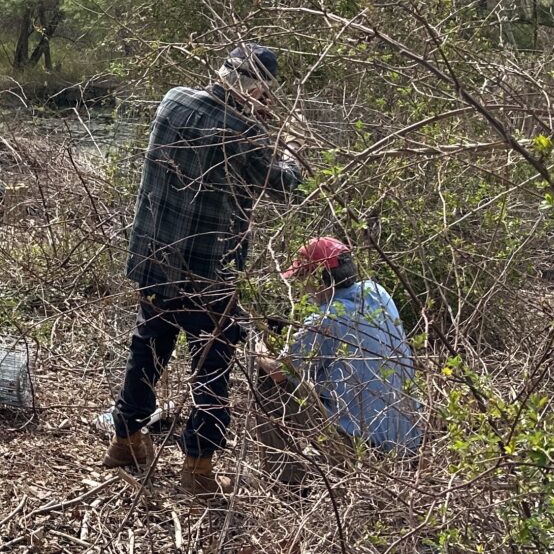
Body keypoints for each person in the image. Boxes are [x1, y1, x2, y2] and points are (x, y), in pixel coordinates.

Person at [104, 43, 303, 497]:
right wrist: (290, 147)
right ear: (256, 91)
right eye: (265, 96)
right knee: (212, 367)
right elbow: (285, 185)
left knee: (148, 347)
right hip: (210, 273)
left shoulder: (173, 100)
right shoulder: (245, 134)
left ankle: (126, 441)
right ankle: (198, 467)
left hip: (156, 259)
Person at [251, 237, 422, 482]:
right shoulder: (378, 293)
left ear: (320, 278)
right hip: (407, 440)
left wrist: (259, 348)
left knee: (269, 383)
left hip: (365, 446)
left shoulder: (326, 320)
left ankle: (289, 483)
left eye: (304, 280)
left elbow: (281, 371)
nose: (302, 289)